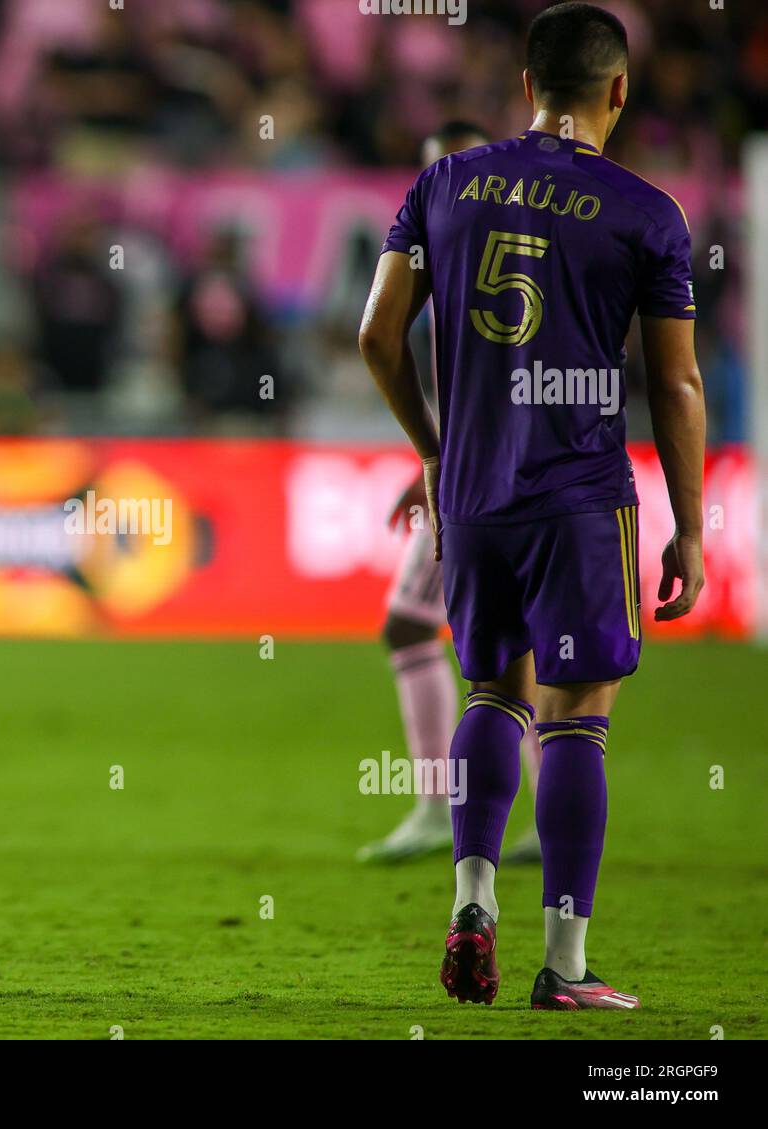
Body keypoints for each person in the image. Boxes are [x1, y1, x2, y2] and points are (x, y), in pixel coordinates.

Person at [359, 4, 705, 1009]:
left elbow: (378, 337)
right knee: (575, 721)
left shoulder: (444, 183)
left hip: (472, 498)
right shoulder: (644, 211)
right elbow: (676, 385)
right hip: (579, 498)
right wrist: (687, 522)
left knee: (490, 696)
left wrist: (433, 450)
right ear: (618, 91)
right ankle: (562, 962)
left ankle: (471, 899)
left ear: (524, 87)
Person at [359, 120, 544, 867]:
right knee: (523, 642)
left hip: (478, 476)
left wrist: (438, 456)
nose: (439, 183)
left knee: (430, 631)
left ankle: (445, 808)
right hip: (533, 464)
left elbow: (379, 339)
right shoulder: (517, 241)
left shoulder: (453, 250)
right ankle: (544, 817)